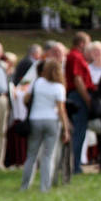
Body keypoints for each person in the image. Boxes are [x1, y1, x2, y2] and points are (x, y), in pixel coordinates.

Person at [20, 58, 69, 192]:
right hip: (51, 120)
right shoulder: (59, 87)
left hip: (35, 119)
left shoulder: (37, 82)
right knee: (48, 156)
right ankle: (44, 187)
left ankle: (25, 186)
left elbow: (25, 99)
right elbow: (61, 110)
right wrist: (66, 129)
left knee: (31, 155)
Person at [65, 31, 93, 175]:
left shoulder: (75, 56)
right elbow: (78, 79)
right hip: (78, 96)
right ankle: (74, 165)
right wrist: (87, 98)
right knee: (78, 132)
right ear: (82, 43)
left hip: (75, 94)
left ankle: (73, 164)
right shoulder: (75, 56)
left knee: (78, 132)